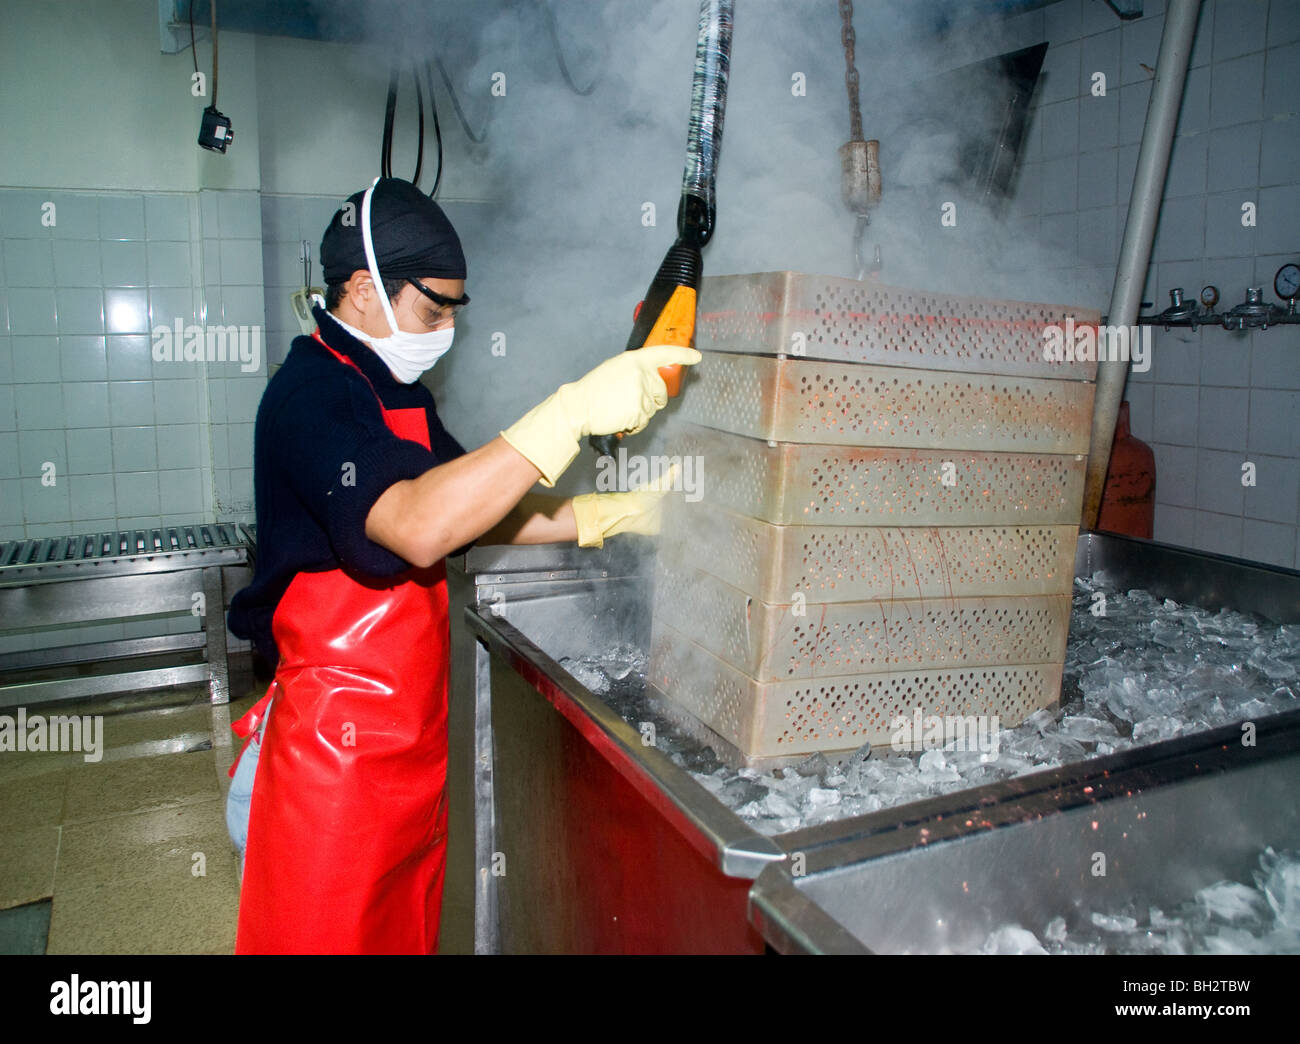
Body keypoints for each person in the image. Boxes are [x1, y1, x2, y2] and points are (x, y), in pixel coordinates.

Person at [225, 176, 698, 954]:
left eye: (453, 309)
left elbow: (477, 511)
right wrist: (570, 411)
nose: (445, 328)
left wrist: (609, 516)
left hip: (408, 748)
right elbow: (414, 527)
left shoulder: (398, 392)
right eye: (432, 308)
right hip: (335, 763)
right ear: (361, 290)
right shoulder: (309, 394)